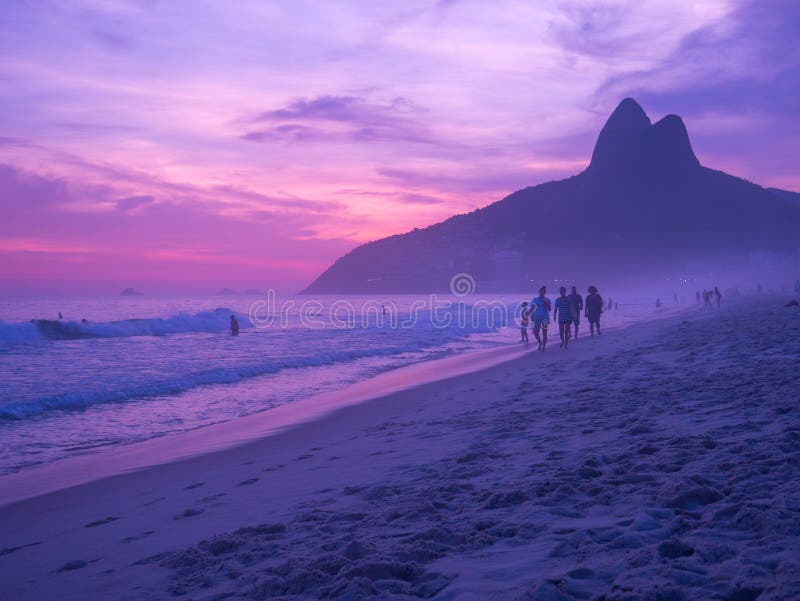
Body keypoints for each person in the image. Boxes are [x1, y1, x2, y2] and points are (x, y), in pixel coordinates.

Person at [530, 286, 551, 351]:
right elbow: (532, 308)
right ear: (539, 292)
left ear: (544, 292)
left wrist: (546, 303)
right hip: (536, 317)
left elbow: (550, 309)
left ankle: (544, 347)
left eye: (543, 292)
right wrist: (530, 316)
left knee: (544, 332)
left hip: (545, 317)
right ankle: (540, 343)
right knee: (535, 332)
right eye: (541, 291)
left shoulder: (547, 300)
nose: (542, 293)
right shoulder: (534, 300)